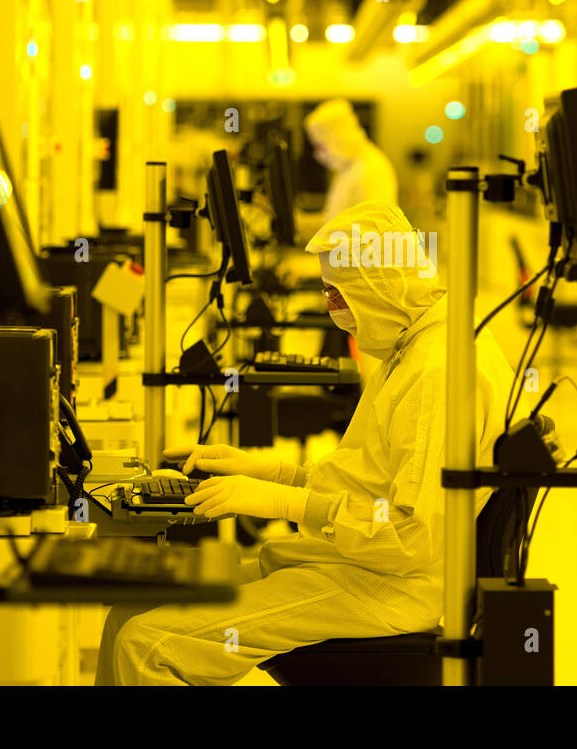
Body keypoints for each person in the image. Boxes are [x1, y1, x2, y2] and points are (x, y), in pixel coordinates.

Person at [97, 201, 513, 685]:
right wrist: (263, 471)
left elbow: (409, 539)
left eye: (339, 295)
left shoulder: (438, 371)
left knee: (148, 646)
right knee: (129, 612)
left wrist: (282, 502)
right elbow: (368, 482)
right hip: (348, 562)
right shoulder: (415, 342)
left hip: (385, 586)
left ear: (378, 286)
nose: (334, 311)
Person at [297, 99, 398, 238]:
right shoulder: (348, 169)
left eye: (321, 146)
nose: (318, 155)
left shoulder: (371, 170)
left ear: (336, 140)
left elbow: (371, 233)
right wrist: (296, 223)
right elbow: (333, 221)